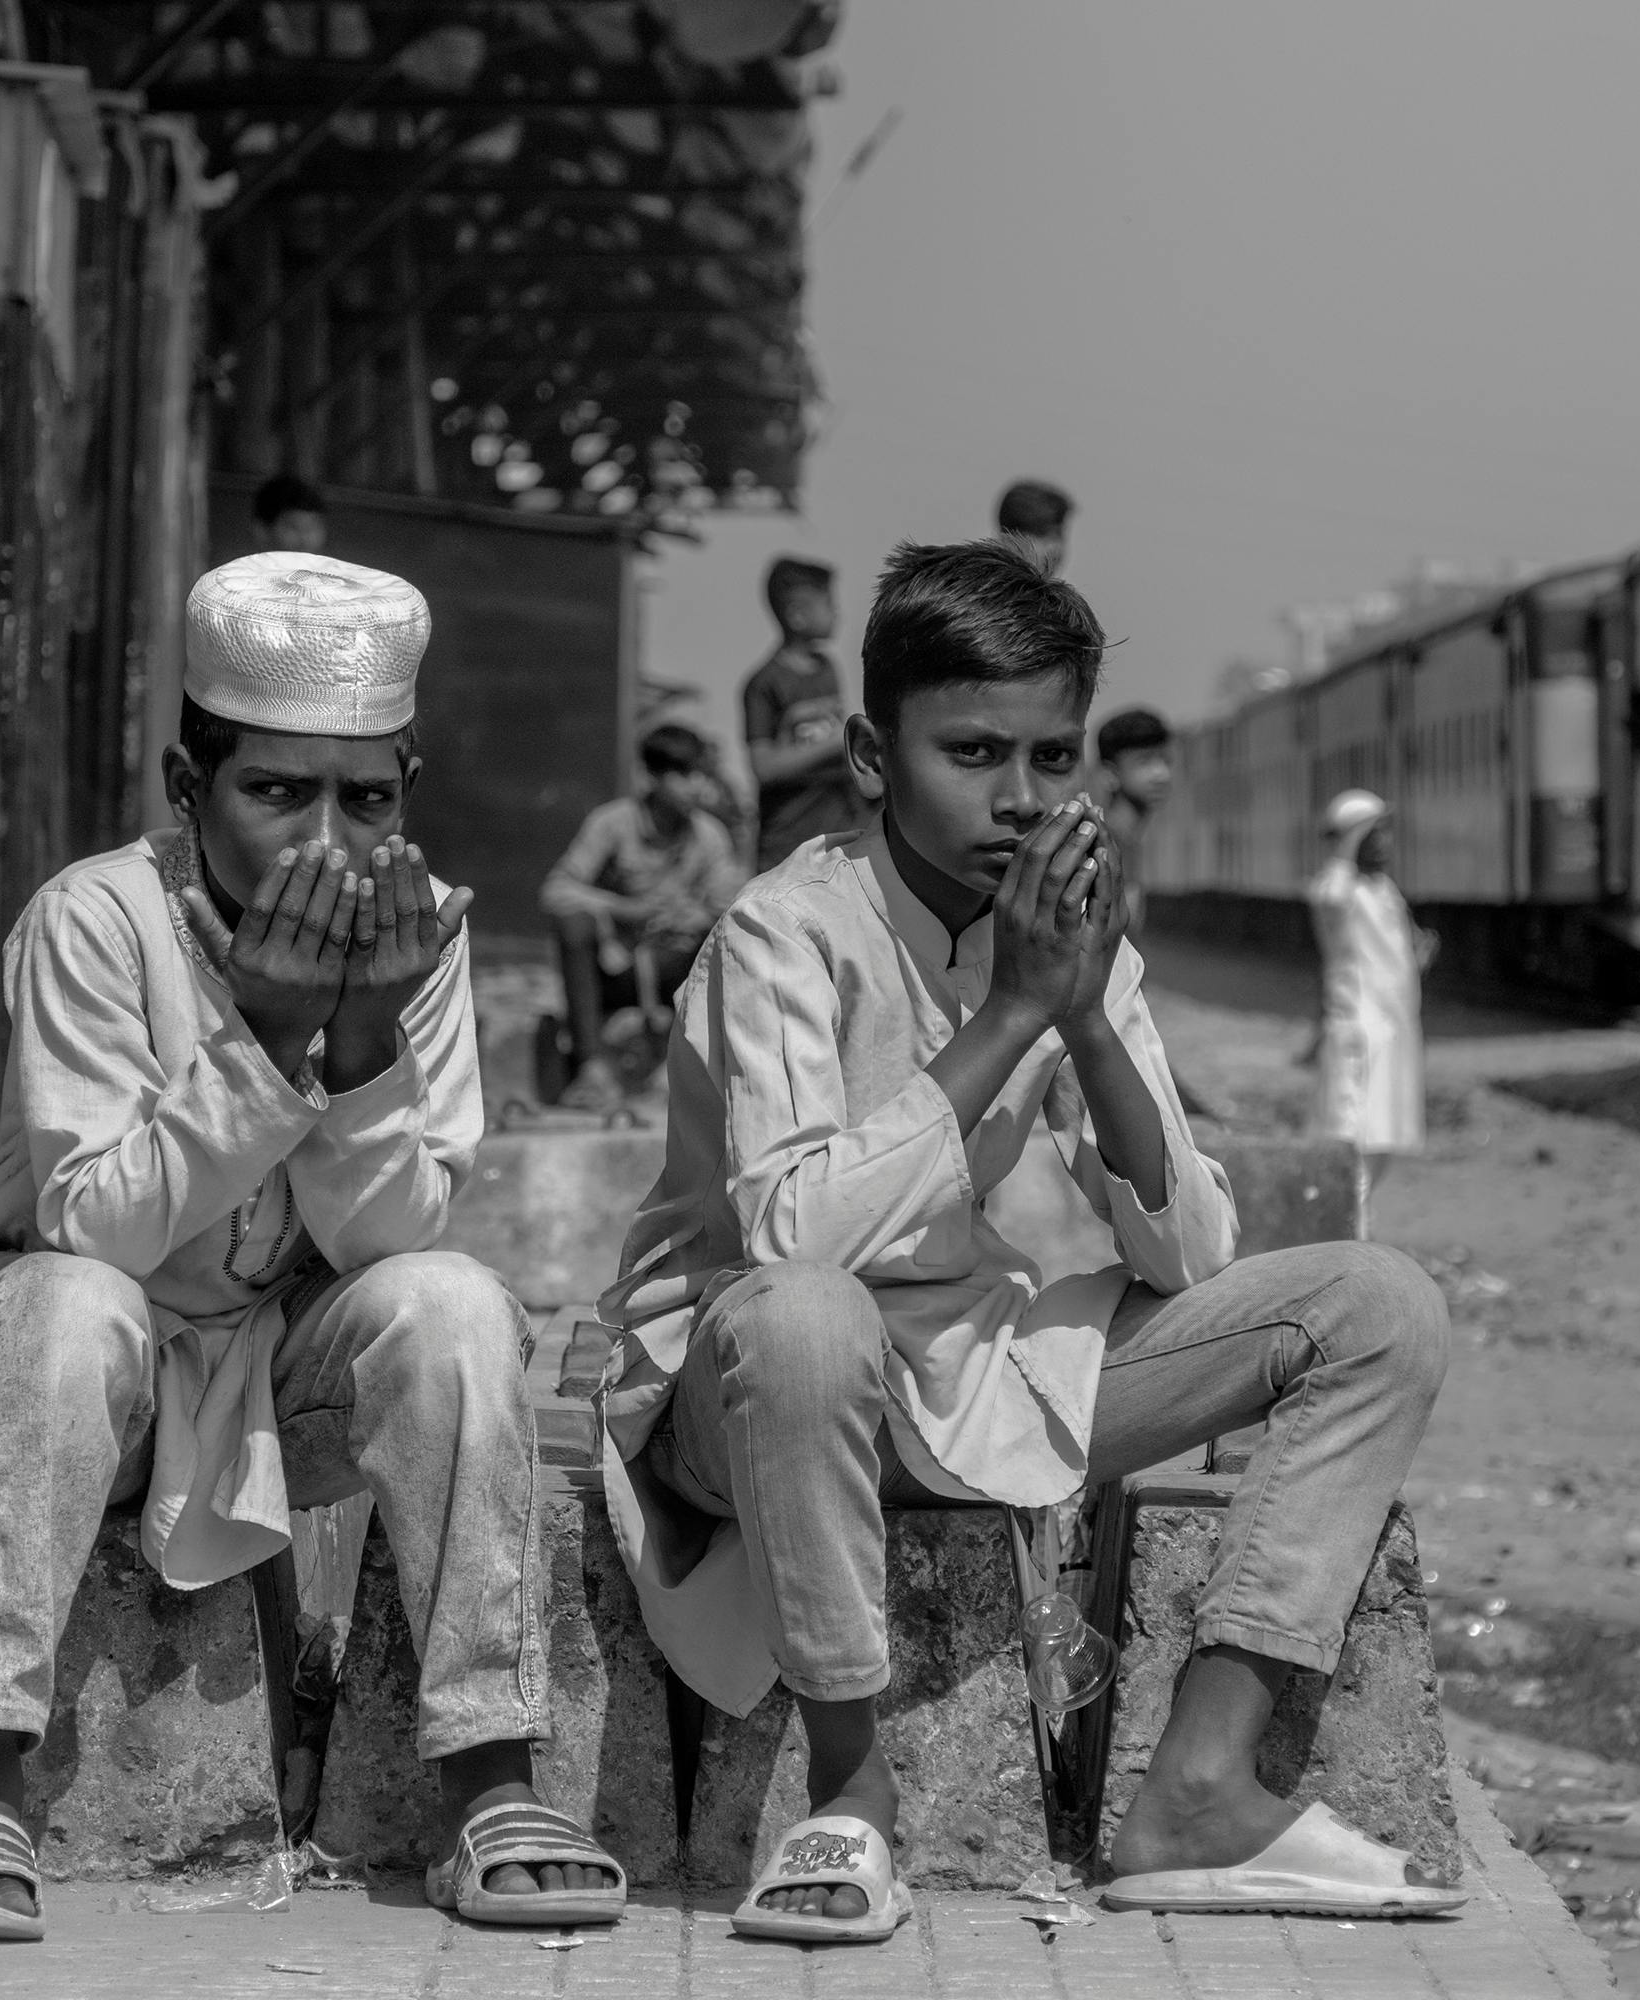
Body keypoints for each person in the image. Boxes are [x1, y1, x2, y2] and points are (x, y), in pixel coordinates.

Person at [597, 541, 1458, 1946]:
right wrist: (1008, 1012)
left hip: (964, 1368)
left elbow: (1194, 1258)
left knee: (1379, 1305)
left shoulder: (1069, 940)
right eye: (975, 751)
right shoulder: (782, 932)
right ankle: (852, 1794)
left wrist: (1089, 1017)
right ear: (874, 758)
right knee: (814, 1316)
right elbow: (785, 1233)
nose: (1021, 798)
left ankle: (1201, 1789)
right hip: (745, 1384)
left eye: (1053, 757)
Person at [0, 554, 627, 1943]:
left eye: (367, 797)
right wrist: (268, 1036)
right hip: (90, 1370)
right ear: (186, 782)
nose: (324, 840)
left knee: (457, 1302)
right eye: (277, 792)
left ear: (409, 784)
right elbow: (93, 1219)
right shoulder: (95, 918)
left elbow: (396, 1230)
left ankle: (489, 1780)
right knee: (64, 1300)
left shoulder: (427, 938)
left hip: (290, 1382)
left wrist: (356, 1042)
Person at [538, 721, 744, 1110]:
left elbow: (729, 904)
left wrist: (690, 916)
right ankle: (592, 1071)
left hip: (676, 967)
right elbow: (556, 891)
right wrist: (626, 910)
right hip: (618, 966)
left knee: (730, 937)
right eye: (683, 775)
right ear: (653, 776)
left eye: (700, 774)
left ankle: (689, 1070)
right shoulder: (612, 823)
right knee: (573, 924)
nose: (696, 785)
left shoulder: (710, 835)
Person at [1308, 792, 1431, 1169]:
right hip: (1359, 1036)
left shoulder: (1384, 889)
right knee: (1351, 1141)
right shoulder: (1337, 887)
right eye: (1373, 835)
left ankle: (1361, 1223)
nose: (1385, 843)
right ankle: (1351, 1226)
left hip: (1394, 1030)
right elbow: (1331, 896)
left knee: (1384, 1141)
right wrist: (1347, 844)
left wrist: (1417, 957)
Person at [741, 554, 870, 871]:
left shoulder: (828, 668)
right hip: (786, 843)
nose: (837, 613)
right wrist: (837, 743)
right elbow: (764, 767)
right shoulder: (764, 684)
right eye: (828, 603)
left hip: (836, 834)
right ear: (797, 615)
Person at [1094, 706, 1175, 941]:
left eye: (1166, 761)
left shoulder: (1126, 842)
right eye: (1144, 762)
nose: (1162, 774)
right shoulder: (1104, 846)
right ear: (1110, 775)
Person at [995, 478, 1073, 576]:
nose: (1053, 548)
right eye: (1042, 535)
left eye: (1059, 535)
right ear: (1009, 538)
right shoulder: (979, 588)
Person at [252, 472, 329, 555]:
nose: (305, 540)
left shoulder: (336, 567)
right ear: (262, 531)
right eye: (294, 527)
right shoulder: (241, 567)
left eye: (312, 527)